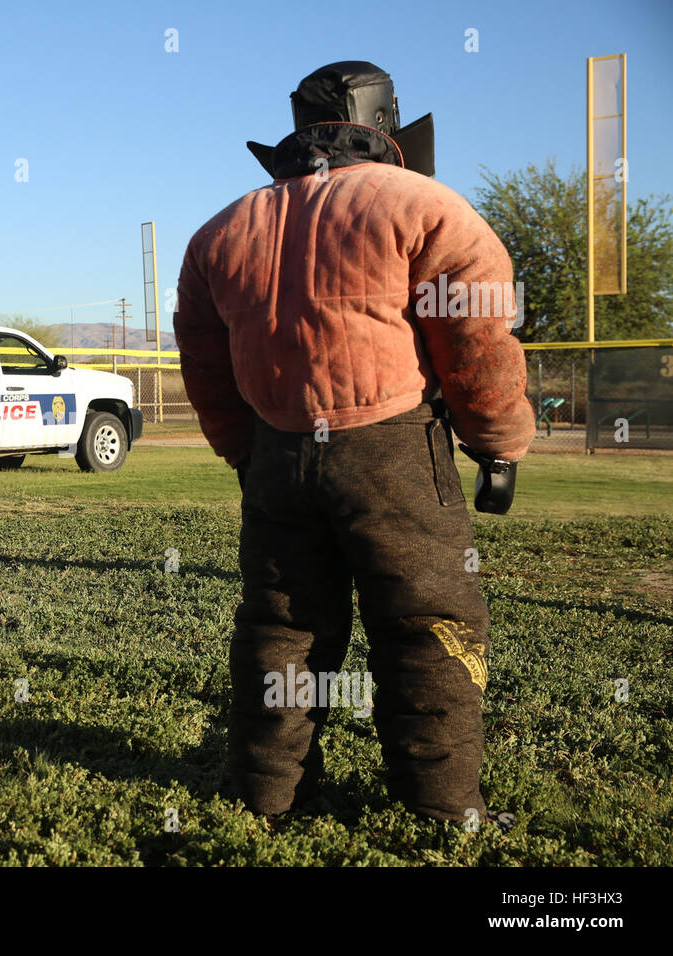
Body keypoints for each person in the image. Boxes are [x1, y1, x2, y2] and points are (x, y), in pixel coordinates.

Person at [173, 61, 535, 824]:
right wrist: (499, 444)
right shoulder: (428, 207)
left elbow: (204, 363)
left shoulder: (221, 231)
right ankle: (441, 810)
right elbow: (478, 344)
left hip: (276, 452)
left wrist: (241, 450)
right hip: (393, 448)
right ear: (388, 126)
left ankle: (271, 798)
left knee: (282, 627)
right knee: (427, 624)